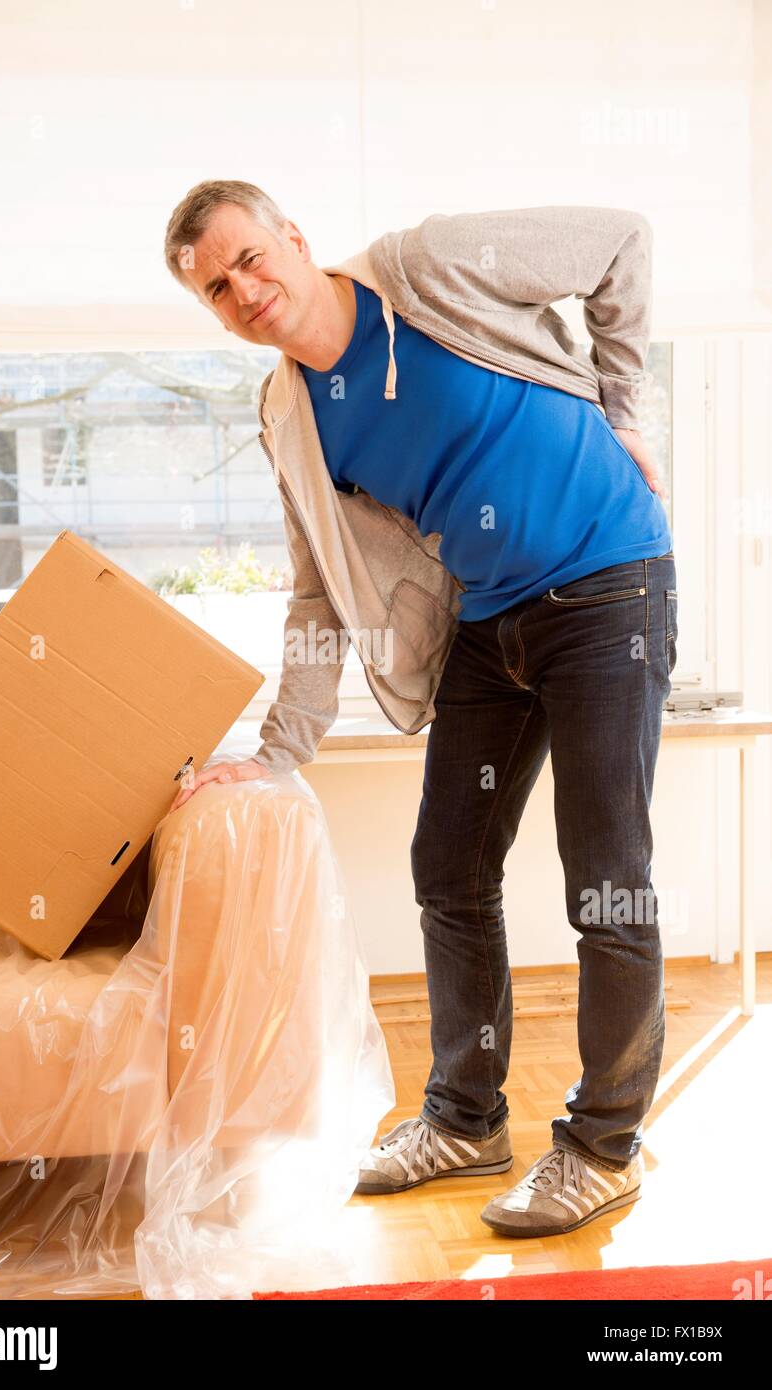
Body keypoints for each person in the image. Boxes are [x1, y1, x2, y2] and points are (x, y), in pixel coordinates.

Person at [162, 181, 677, 1238]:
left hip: (607, 583)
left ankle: (600, 1144)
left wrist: (624, 413)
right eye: (216, 287)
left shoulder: (427, 268)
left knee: (606, 880)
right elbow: (317, 587)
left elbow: (619, 239)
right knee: (446, 864)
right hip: (488, 618)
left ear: (293, 239)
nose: (245, 289)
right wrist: (276, 754)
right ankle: (463, 1116)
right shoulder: (287, 414)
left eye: (251, 257)